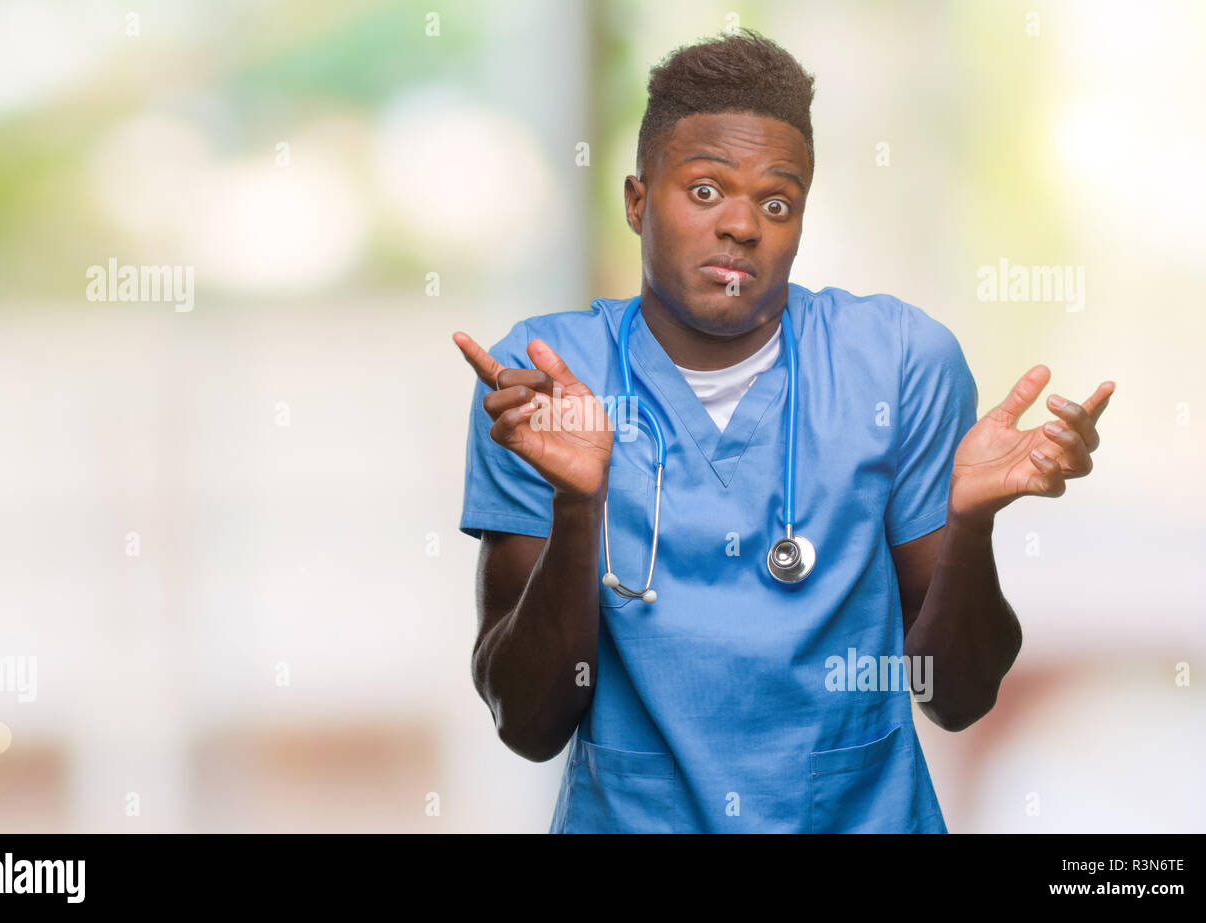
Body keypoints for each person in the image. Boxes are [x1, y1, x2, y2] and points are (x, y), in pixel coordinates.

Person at [452, 29, 1113, 833]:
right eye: (703, 191)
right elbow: (528, 723)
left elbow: (957, 697)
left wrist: (971, 525)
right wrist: (577, 507)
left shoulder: (902, 362)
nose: (741, 226)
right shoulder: (547, 376)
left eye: (776, 201)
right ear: (635, 199)